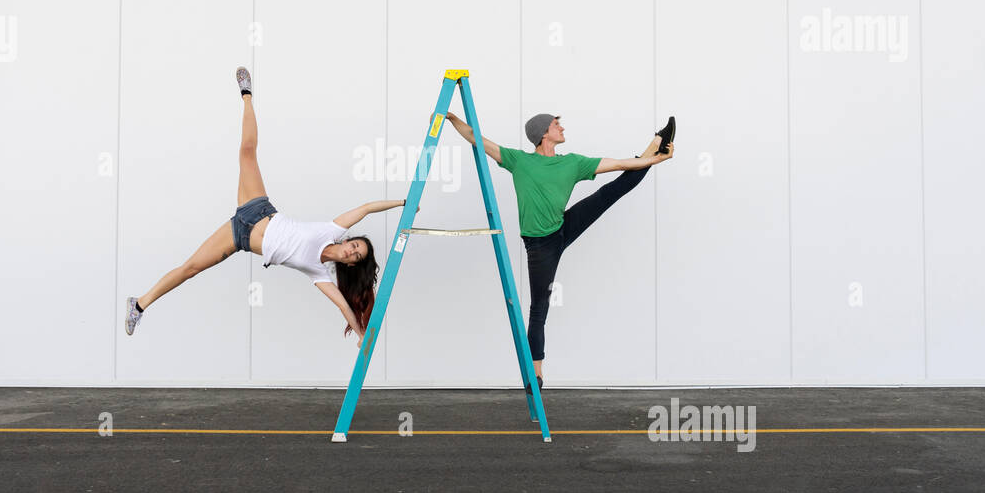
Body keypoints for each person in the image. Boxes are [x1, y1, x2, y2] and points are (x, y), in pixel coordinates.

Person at [126, 67, 404, 347]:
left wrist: (360, 334)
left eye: (355, 257)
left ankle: (138, 305)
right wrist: (404, 203)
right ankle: (247, 95)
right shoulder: (329, 230)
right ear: (350, 240)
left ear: (349, 264)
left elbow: (343, 307)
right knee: (247, 151)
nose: (352, 252)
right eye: (355, 246)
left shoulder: (318, 272)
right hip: (258, 209)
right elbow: (367, 207)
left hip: (240, 237)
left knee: (190, 269)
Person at [445, 110, 676, 389]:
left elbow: (620, 164)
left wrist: (657, 158)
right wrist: (452, 118)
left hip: (562, 227)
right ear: (543, 133)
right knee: (539, 308)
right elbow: (476, 139)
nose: (562, 127)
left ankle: (655, 142)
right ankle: (537, 373)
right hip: (540, 244)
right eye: (557, 124)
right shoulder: (519, 161)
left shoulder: (573, 163)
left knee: (611, 191)